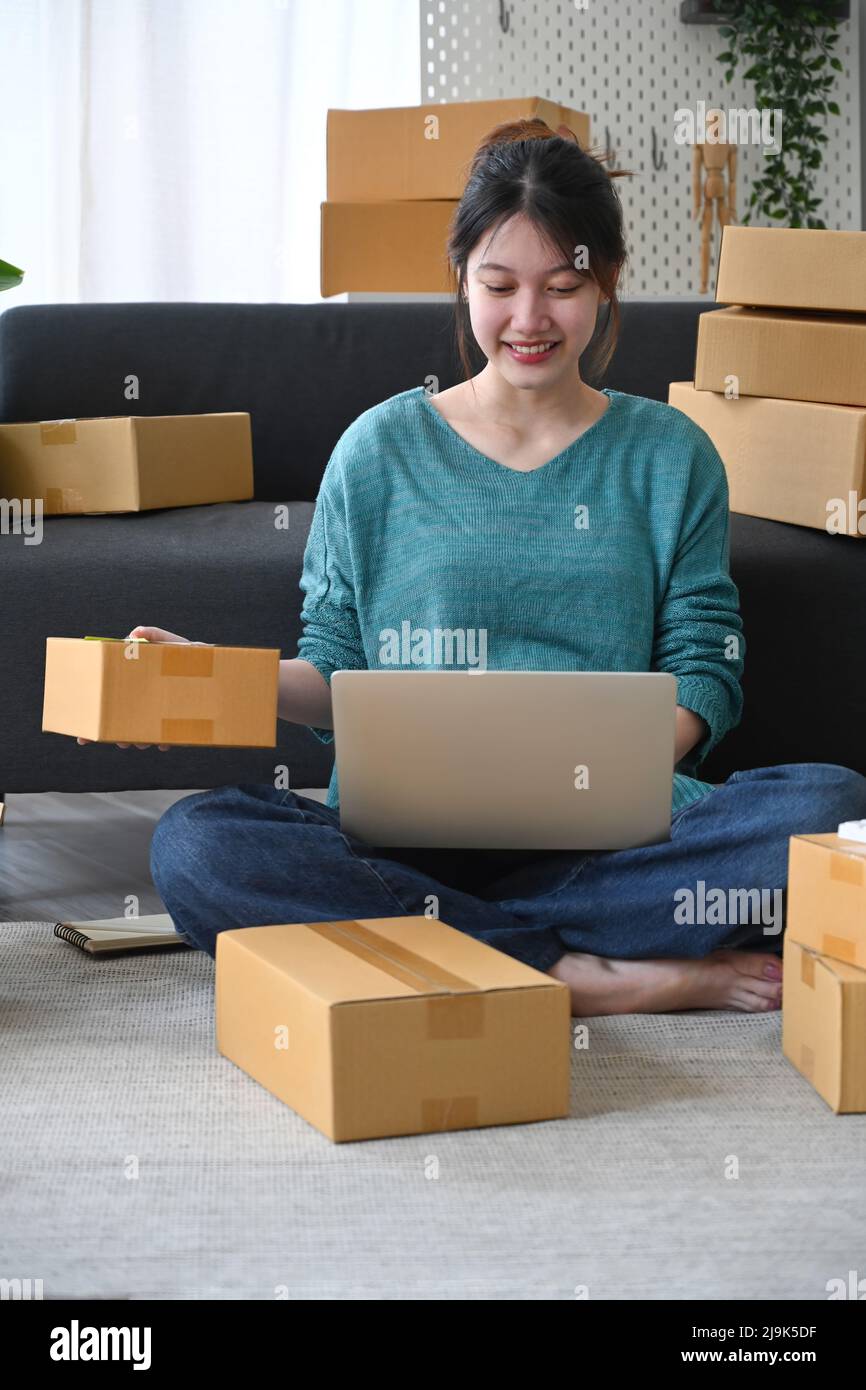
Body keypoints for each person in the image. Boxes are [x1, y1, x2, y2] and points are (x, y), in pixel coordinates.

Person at [81, 119, 866, 1016]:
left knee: (825, 807)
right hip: (405, 842)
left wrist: (608, 771)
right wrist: (216, 674)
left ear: (607, 282)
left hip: (613, 840)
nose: (529, 320)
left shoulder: (671, 454)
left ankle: (450, 943)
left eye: (564, 287)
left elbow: (704, 667)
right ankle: (571, 971)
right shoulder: (379, 449)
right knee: (198, 844)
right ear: (460, 279)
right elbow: (336, 667)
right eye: (499, 286)